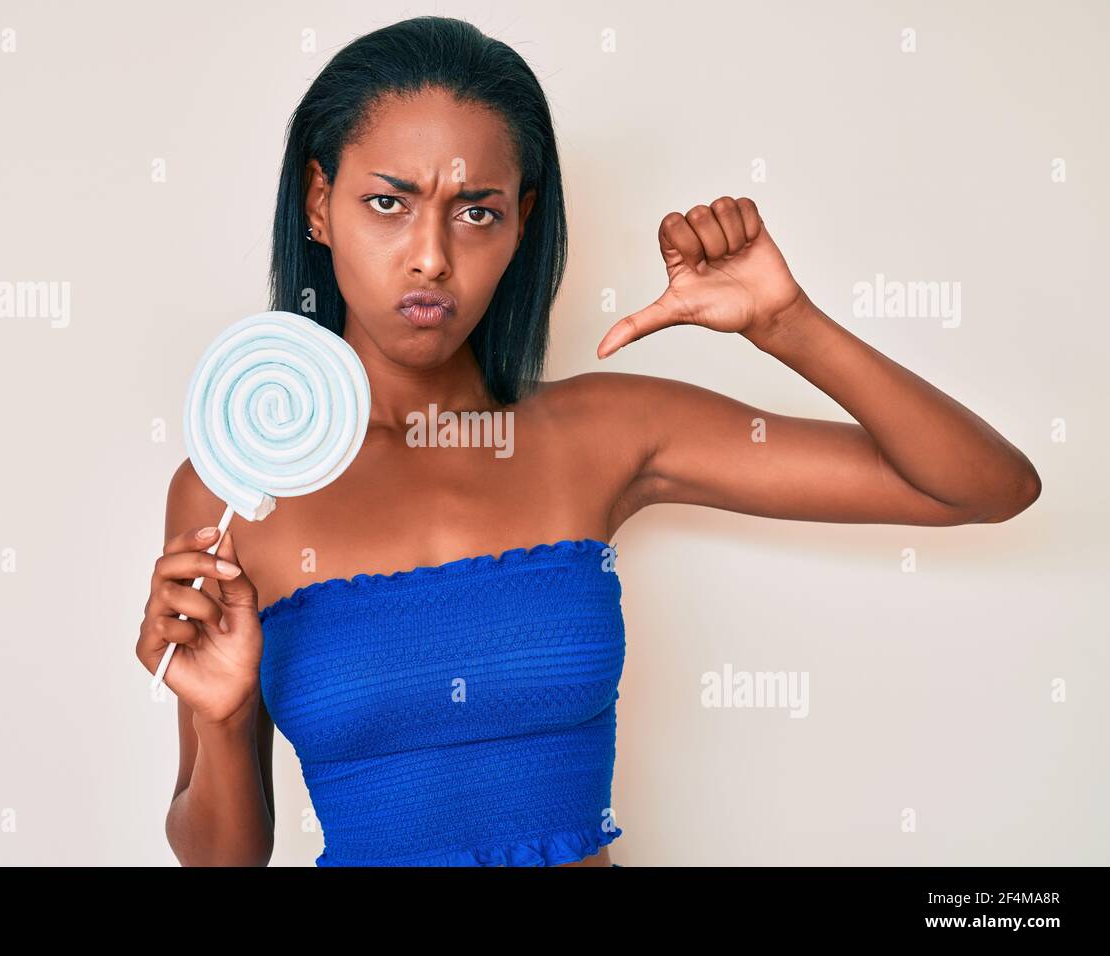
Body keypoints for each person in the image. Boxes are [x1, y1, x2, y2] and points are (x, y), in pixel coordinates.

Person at [135, 16, 1040, 867]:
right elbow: (224, 859)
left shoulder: (604, 433)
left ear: (522, 222)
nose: (431, 256)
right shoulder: (233, 487)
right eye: (388, 202)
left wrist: (787, 323)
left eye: (476, 210)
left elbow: (984, 488)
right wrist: (216, 720)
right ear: (320, 202)